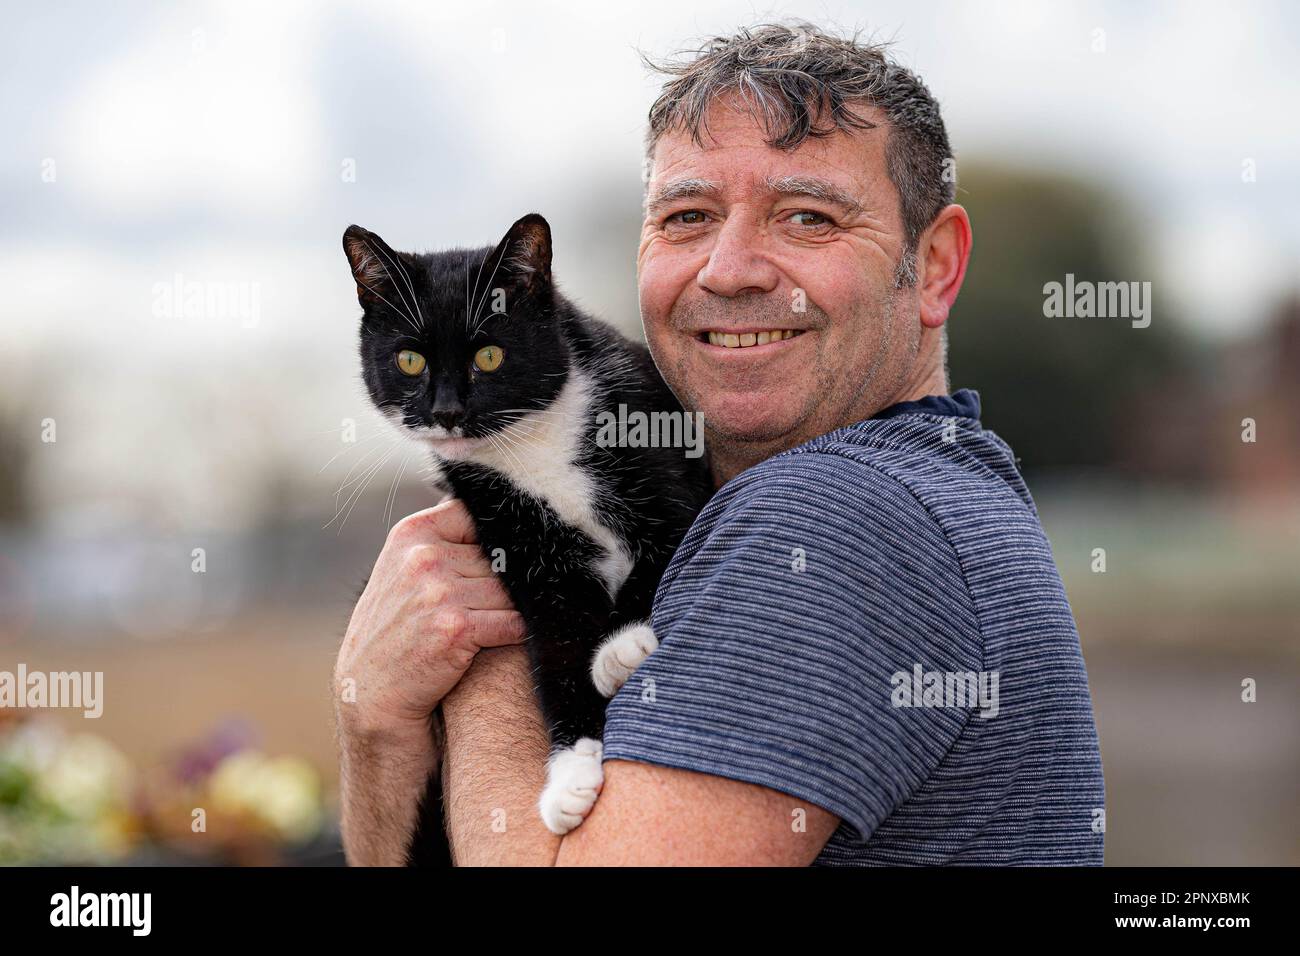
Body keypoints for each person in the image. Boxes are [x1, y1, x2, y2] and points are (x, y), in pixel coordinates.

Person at [334, 20, 1105, 866]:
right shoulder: (939, 485)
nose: (729, 269)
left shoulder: (835, 516)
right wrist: (378, 720)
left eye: (807, 217)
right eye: (688, 217)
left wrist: (486, 636)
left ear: (936, 265)